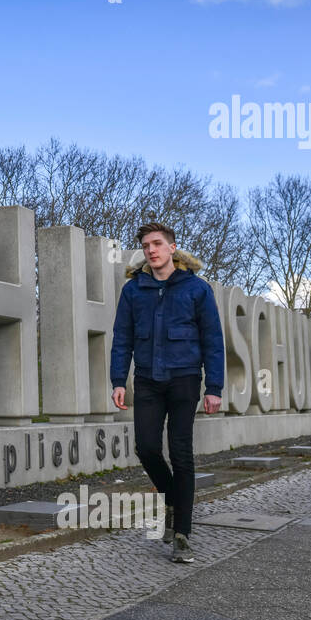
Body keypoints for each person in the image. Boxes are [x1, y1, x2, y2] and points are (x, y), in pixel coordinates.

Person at [110, 221, 224, 563]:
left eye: (157, 244)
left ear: (172, 248)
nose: (151, 250)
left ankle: (182, 534)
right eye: (146, 246)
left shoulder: (196, 289)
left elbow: (213, 341)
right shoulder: (133, 290)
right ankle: (173, 498)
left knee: (181, 452)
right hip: (147, 380)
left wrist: (213, 386)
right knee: (145, 447)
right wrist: (118, 380)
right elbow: (122, 338)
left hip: (185, 379)